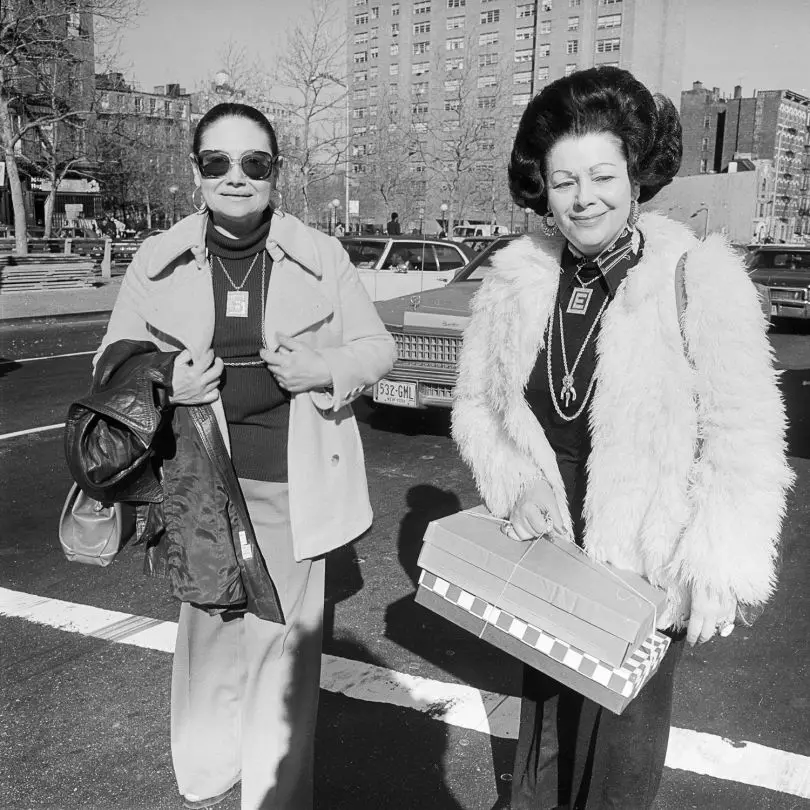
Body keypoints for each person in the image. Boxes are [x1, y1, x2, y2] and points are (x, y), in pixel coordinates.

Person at [451, 67, 792, 810]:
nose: (583, 198)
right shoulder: (516, 279)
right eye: (563, 179)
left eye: (603, 175)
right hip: (547, 558)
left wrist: (717, 569)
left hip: (644, 570)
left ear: (636, 176)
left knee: (617, 771)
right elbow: (478, 408)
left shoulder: (697, 276)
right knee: (542, 752)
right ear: (541, 184)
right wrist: (519, 485)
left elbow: (746, 438)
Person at [93, 102, 396, 810]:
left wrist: (321, 368)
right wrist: (167, 377)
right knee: (208, 631)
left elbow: (376, 346)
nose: (236, 177)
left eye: (254, 164)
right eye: (217, 162)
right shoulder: (156, 257)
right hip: (197, 480)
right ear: (195, 170)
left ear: (276, 175)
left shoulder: (320, 256)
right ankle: (210, 766)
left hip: (291, 481)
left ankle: (276, 794)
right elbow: (112, 358)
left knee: (281, 651)